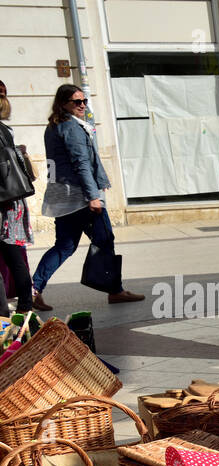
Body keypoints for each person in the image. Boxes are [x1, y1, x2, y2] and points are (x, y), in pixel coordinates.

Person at [30, 84, 144, 309]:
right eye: (77, 102)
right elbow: (81, 163)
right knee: (104, 240)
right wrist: (93, 196)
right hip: (81, 197)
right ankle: (115, 290)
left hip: (63, 196)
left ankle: (33, 289)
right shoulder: (71, 127)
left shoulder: (54, 126)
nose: (82, 105)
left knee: (64, 246)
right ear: (63, 104)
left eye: (84, 101)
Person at [0, 80, 36, 317]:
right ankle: (25, 304)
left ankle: (23, 305)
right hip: (13, 199)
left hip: (4, 202)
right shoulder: (6, 130)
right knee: (14, 253)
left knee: (12, 255)